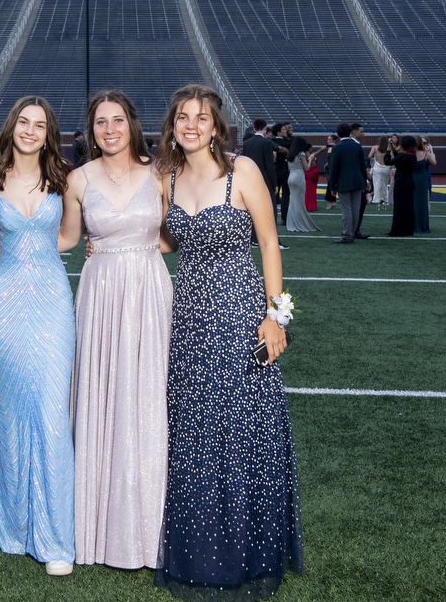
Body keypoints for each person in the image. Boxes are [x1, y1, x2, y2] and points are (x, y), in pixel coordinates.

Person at [154, 84, 302, 600]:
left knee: (241, 428)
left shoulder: (243, 170)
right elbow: (168, 239)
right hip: (189, 316)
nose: (191, 125)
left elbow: (268, 242)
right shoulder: (166, 178)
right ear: (172, 125)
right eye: (182, 118)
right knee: (193, 429)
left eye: (201, 118)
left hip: (240, 313)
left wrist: (274, 316)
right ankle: (199, 544)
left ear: (216, 126)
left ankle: (248, 548)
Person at [60, 90, 172, 570]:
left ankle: (151, 526)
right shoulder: (77, 178)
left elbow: (173, 237)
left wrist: (133, 252)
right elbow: (66, 237)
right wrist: (9, 242)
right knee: (101, 396)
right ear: (90, 131)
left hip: (148, 290)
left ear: (132, 123)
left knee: (148, 397)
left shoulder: (162, 171)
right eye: (100, 122)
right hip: (100, 293)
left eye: (117, 120)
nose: (109, 129)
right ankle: (98, 526)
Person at [0, 95, 77, 576]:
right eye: (24, 122)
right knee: (8, 407)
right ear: (12, 127)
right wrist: (4, 251)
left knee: (51, 408)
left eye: (40, 124)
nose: (31, 130)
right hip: (4, 301)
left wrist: (34, 245)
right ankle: (13, 525)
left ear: (48, 132)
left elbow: (70, 238)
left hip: (54, 301)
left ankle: (56, 535)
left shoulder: (64, 177)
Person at [327, 123, 370, 244]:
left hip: (343, 182)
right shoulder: (357, 146)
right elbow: (362, 165)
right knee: (355, 209)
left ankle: (347, 234)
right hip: (357, 181)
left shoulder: (337, 147)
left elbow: (334, 168)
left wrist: (332, 185)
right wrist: (365, 181)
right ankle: (352, 231)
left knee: (346, 210)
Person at [241, 119, 279, 245]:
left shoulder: (247, 143)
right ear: (265, 128)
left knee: (250, 209)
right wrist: (274, 184)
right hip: (264, 180)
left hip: (249, 179)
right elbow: (269, 165)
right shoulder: (266, 143)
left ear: (254, 127)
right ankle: (265, 236)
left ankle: (252, 237)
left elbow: (244, 161)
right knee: (269, 208)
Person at [384, 136, 419, 237]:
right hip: (409, 181)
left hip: (400, 182)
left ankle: (396, 230)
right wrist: (394, 152)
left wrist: (388, 152)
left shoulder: (403, 156)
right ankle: (407, 230)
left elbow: (388, 162)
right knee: (408, 207)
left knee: (399, 207)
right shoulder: (413, 156)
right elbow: (399, 161)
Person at [284, 137, 321, 233]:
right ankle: (300, 223)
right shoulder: (301, 154)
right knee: (300, 201)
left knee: (292, 201)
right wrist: (311, 159)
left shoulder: (289, 154)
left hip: (291, 177)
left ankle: (293, 222)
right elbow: (307, 168)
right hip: (299, 177)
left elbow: (289, 169)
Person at [270, 122, 293, 223]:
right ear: (278, 132)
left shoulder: (270, 142)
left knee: (273, 196)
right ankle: (284, 218)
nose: (286, 131)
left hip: (274, 171)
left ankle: (272, 218)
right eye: (283, 130)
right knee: (285, 196)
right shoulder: (288, 143)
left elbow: (269, 141)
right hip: (285, 171)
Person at [414, 135, 436, 234]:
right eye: (421, 143)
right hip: (417, 176)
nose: (423, 144)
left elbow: (434, 162)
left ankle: (425, 221)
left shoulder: (427, 153)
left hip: (425, 176)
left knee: (426, 200)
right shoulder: (414, 152)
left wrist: (431, 151)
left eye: (425, 143)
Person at [370, 137, 393, 211]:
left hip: (377, 168)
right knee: (385, 185)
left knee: (377, 185)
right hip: (386, 168)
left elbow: (369, 156)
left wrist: (371, 161)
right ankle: (385, 203)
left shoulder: (375, 148)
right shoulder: (388, 149)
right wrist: (392, 168)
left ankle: (378, 204)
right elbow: (392, 158)